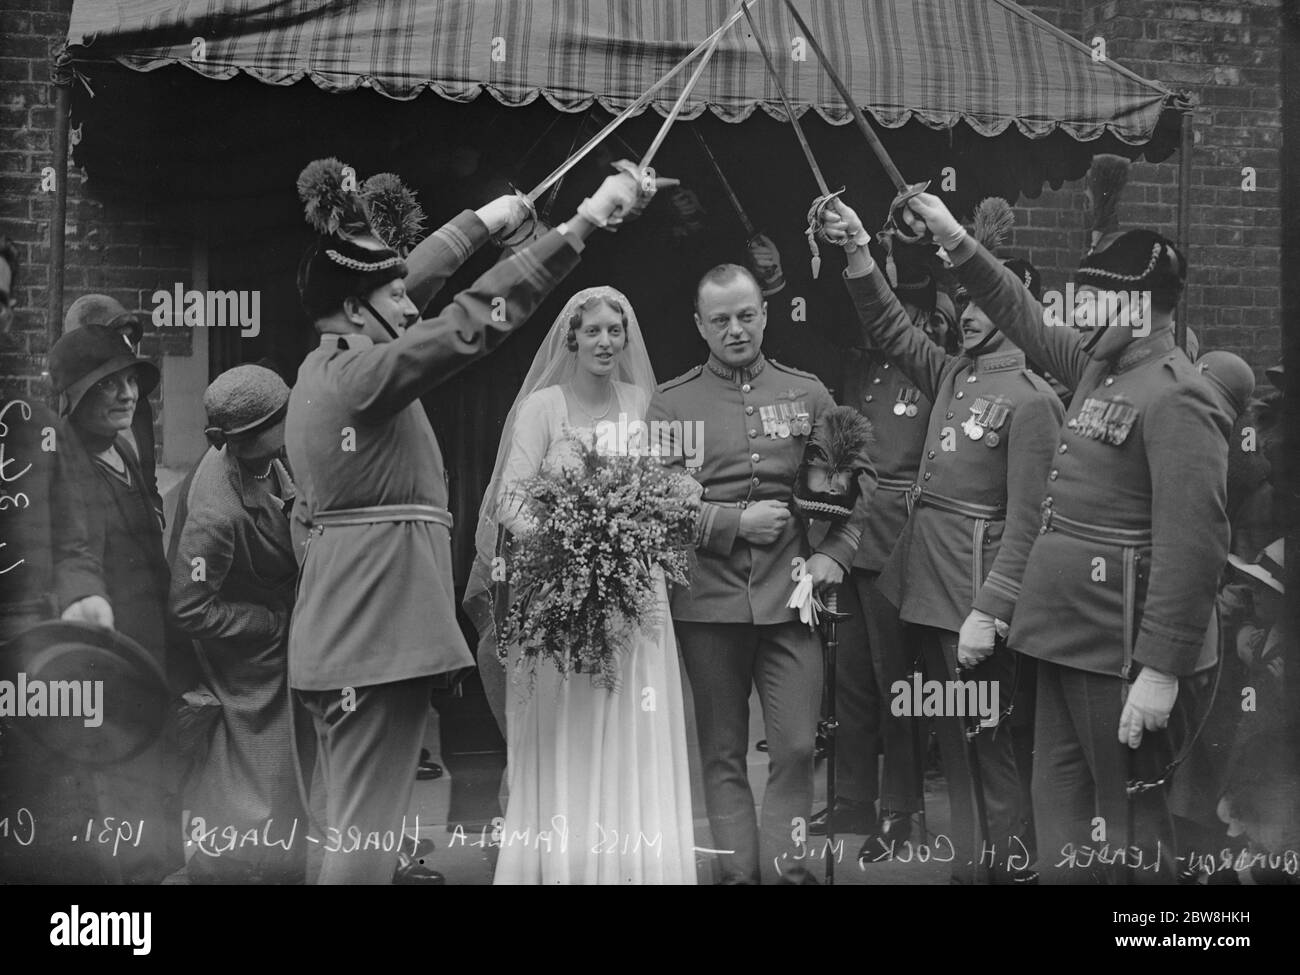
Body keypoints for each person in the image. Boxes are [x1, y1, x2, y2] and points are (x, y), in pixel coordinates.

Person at [286, 157, 656, 884]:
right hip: (374, 635)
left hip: (355, 634)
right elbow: (465, 323)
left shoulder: (339, 359)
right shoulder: (361, 375)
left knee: (353, 832)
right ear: (360, 308)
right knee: (363, 843)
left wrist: (486, 223)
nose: (410, 302)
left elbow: (407, 288)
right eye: (394, 296)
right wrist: (581, 224)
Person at [900, 194, 1230, 883]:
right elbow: (1018, 307)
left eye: (1095, 303)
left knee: (1133, 836)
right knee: (1063, 826)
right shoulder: (1099, 366)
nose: (1078, 316)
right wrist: (956, 238)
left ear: (1140, 309)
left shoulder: (1177, 395)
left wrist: (1162, 666)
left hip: (1120, 652)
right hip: (1062, 637)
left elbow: (1192, 544)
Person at [823, 200, 1063, 882]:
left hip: (974, 594)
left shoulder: (1032, 397)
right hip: (928, 584)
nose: (970, 312)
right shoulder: (958, 371)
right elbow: (894, 331)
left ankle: (1011, 866)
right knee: (956, 739)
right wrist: (859, 254)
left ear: (1019, 309)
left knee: (994, 742)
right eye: (966, 299)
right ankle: (969, 864)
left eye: (986, 301)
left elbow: (1027, 521)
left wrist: (992, 607)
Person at [645, 263, 875, 884]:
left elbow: (862, 478)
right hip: (707, 604)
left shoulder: (808, 392)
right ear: (700, 325)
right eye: (720, 320)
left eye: (747, 315)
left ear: (766, 314)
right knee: (722, 754)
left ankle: (787, 875)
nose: (736, 330)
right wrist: (731, 524)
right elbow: (655, 503)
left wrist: (836, 554)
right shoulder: (672, 402)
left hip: (791, 598)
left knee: (797, 748)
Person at [470, 286, 696, 884]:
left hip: (634, 591)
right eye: (591, 331)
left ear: (626, 339)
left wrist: (628, 533)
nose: (604, 342)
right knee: (567, 721)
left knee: (631, 718)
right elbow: (510, 497)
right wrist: (565, 545)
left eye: (614, 332)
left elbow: (666, 485)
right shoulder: (541, 408)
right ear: (571, 339)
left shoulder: (643, 401)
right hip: (561, 588)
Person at [49, 306, 183, 883]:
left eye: (131, 380)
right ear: (76, 399)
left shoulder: (123, 448)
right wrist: (85, 602)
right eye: (109, 385)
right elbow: (70, 551)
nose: (127, 395)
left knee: (154, 779)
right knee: (120, 791)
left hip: (148, 645)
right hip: (106, 651)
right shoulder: (62, 463)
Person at [0, 239, 114, 884]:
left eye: (0, 301)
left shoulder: (33, 428)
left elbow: (72, 542)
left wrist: (80, 593)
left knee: (64, 860)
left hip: (30, 667)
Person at [814, 241, 934, 844]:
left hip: (899, 547)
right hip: (851, 543)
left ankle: (903, 808)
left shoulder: (932, 371)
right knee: (851, 680)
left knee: (898, 685)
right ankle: (854, 799)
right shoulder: (861, 368)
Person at [168, 364, 306, 883]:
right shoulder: (218, 512)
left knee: (274, 792)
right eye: (283, 419)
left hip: (272, 657)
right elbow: (188, 607)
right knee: (246, 797)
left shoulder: (263, 461)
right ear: (250, 435)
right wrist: (271, 625)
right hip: (247, 667)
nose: (294, 425)